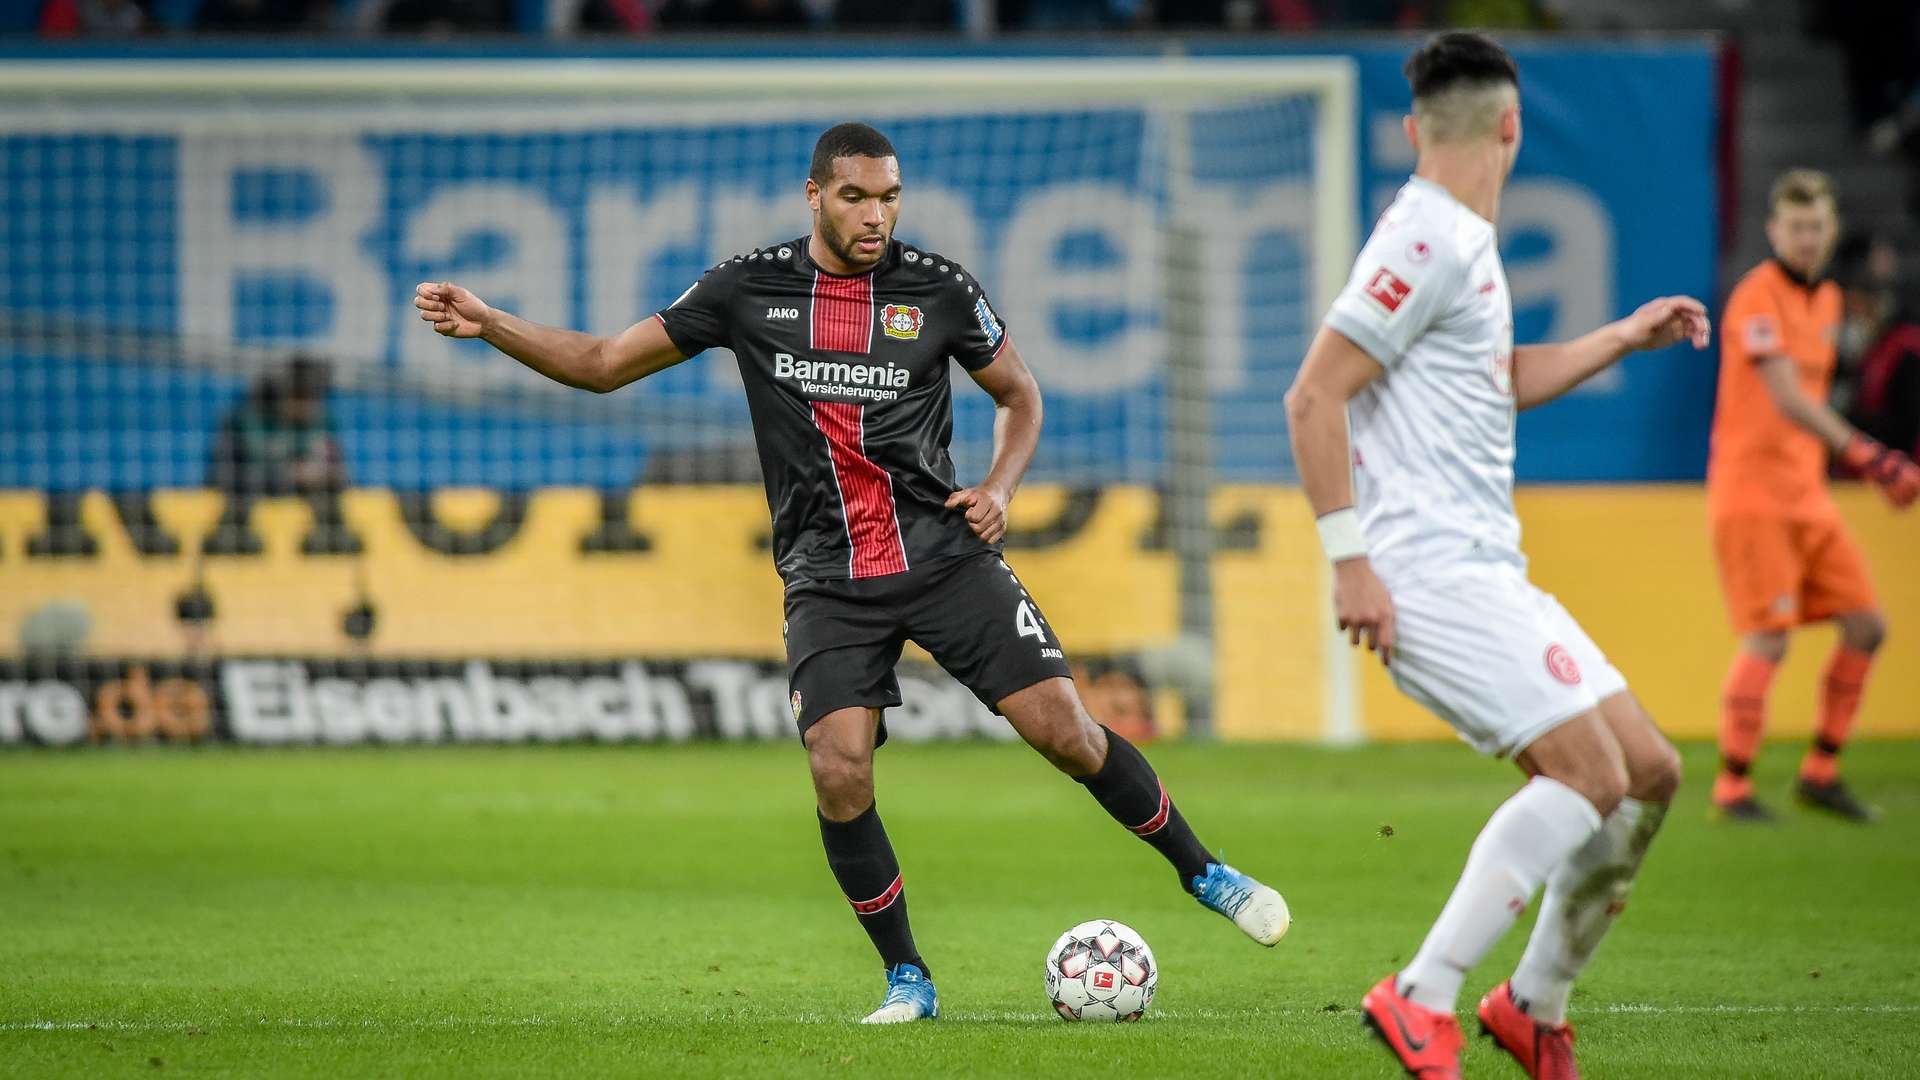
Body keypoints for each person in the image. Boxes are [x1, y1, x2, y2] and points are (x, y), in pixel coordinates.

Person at [413, 121, 1289, 1024]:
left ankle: (1205, 871)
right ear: (815, 196)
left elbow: (1021, 395)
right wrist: (492, 325)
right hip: (826, 576)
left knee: (1066, 731)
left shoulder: (938, 289)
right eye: (857, 197)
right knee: (839, 769)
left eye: (890, 198)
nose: (876, 216)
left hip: (945, 555)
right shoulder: (746, 287)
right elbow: (600, 366)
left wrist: (999, 487)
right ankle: (908, 978)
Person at [1284, 32, 1707, 1079]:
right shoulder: (1424, 239)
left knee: (1649, 772)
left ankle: (1531, 1005)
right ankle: (1420, 994)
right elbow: (1312, 393)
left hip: (1485, 565)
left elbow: (1491, 377)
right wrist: (1351, 561)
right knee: (1588, 773)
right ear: (1512, 127)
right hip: (1428, 569)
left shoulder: (1456, 240)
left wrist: (1618, 336)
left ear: (1413, 126)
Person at [1708, 170, 1919, 824]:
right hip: (1751, 492)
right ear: (1774, 231)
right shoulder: (1756, 297)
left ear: (1830, 231)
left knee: (1867, 626)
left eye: (1816, 227)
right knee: (1768, 639)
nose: (1806, 239)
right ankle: (1733, 787)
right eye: (1795, 227)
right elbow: (1788, 397)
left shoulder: (1827, 300)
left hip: (1807, 494)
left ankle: (1820, 772)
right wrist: (1869, 455)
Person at [206, 355, 357, 556]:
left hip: (301, 489)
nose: (307, 405)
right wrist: (291, 473)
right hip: (249, 490)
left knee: (330, 494)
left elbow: (338, 471)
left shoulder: (322, 421)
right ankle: (235, 542)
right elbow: (240, 468)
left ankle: (330, 542)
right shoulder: (248, 418)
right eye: (299, 396)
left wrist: (318, 473)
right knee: (249, 484)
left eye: (313, 397)